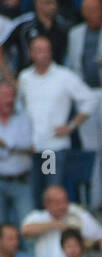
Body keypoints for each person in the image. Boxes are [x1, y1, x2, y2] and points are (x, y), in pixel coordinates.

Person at [16, 34, 96, 200]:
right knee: (33, 193)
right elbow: (19, 107)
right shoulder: (25, 77)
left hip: (51, 147)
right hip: (30, 148)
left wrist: (71, 125)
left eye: (46, 50)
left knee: (51, 192)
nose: (43, 54)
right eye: (38, 50)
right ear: (31, 54)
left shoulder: (64, 76)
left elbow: (90, 99)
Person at [65, 0, 102, 211]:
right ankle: (95, 198)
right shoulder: (75, 34)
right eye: (89, 10)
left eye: (97, 9)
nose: (94, 14)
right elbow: (72, 65)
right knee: (91, 147)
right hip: (84, 94)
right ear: (83, 12)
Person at [20, 183, 102, 257]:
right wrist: (56, 224)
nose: (63, 206)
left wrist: (86, 243)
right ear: (46, 204)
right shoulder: (39, 216)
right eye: (58, 202)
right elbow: (25, 230)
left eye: (65, 201)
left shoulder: (77, 215)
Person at [3, 0, 70, 71]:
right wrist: (10, 79)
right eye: (48, 2)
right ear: (37, 3)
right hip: (26, 77)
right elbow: (1, 48)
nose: (53, 6)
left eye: (55, 1)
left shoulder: (63, 27)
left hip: (56, 78)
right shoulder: (23, 25)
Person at [0, 81, 32, 226]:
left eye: (11, 95)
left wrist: (5, 144)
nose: (9, 99)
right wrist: (13, 148)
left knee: (27, 227)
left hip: (22, 181)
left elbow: (30, 146)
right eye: (4, 95)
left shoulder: (24, 117)